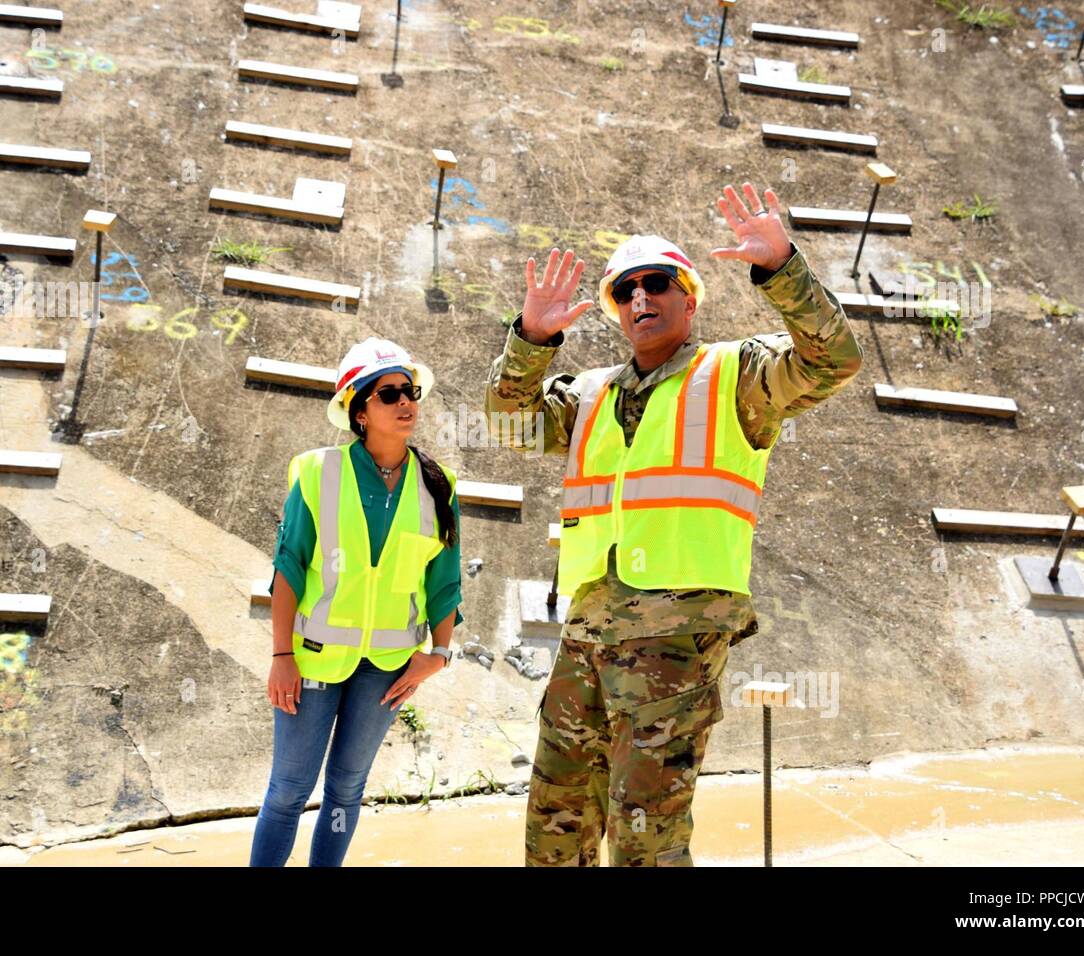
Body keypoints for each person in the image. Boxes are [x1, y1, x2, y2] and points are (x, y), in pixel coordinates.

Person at [485, 183, 864, 866]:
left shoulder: (737, 374)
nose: (640, 299)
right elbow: (511, 424)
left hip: (677, 635)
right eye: (624, 291)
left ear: (689, 298)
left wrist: (783, 268)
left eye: (656, 284)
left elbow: (833, 360)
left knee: (644, 828)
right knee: (557, 814)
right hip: (588, 632)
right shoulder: (589, 394)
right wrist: (532, 341)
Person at [250, 337, 463, 867]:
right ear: (359, 411)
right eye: (389, 394)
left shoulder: (438, 485)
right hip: (314, 661)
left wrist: (439, 654)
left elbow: (444, 581)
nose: (406, 402)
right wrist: (281, 657)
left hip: (387, 669)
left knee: (347, 792)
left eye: (410, 391)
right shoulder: (316, 472)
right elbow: (289, 567)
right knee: (288, 791)